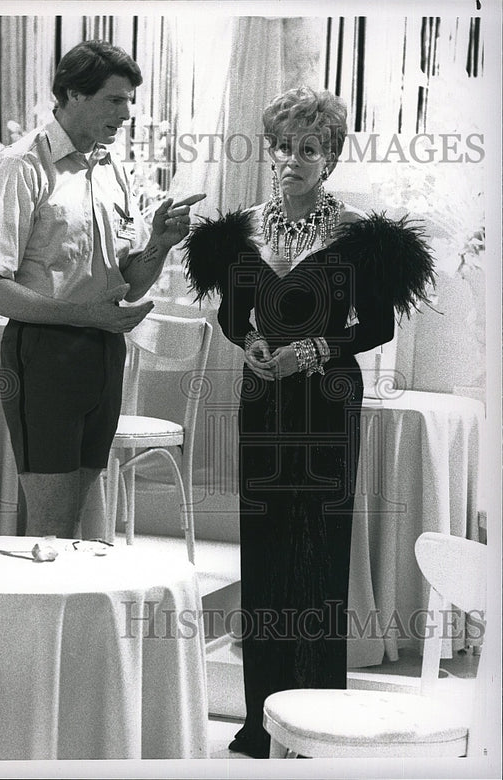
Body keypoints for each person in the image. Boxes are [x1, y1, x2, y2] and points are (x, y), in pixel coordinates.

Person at [183, 86, 435, 758]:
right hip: (262, 400)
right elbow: (234, 319)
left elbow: (377, 326)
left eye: (309, 150)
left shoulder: (360, 235)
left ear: (330, 160)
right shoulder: (241, 232)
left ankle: (319, 717)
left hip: (328, 401)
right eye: (284, 148)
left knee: (319, 550)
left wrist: (316, 349)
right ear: (270, 153)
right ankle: (261, 721)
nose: (292, 160)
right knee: (264, 547)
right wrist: (255, 346)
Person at [0, 40, 205, 539]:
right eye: (115, 100)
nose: (126, 114)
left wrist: (160, 245)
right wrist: (85, 316)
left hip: (101, 351)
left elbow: (125, 279)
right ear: (73, 94)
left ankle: (70, 619)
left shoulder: (110, 170)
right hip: (45, 353)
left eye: (129, 102)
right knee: (51, 523)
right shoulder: (22, 167)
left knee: (76, 523)